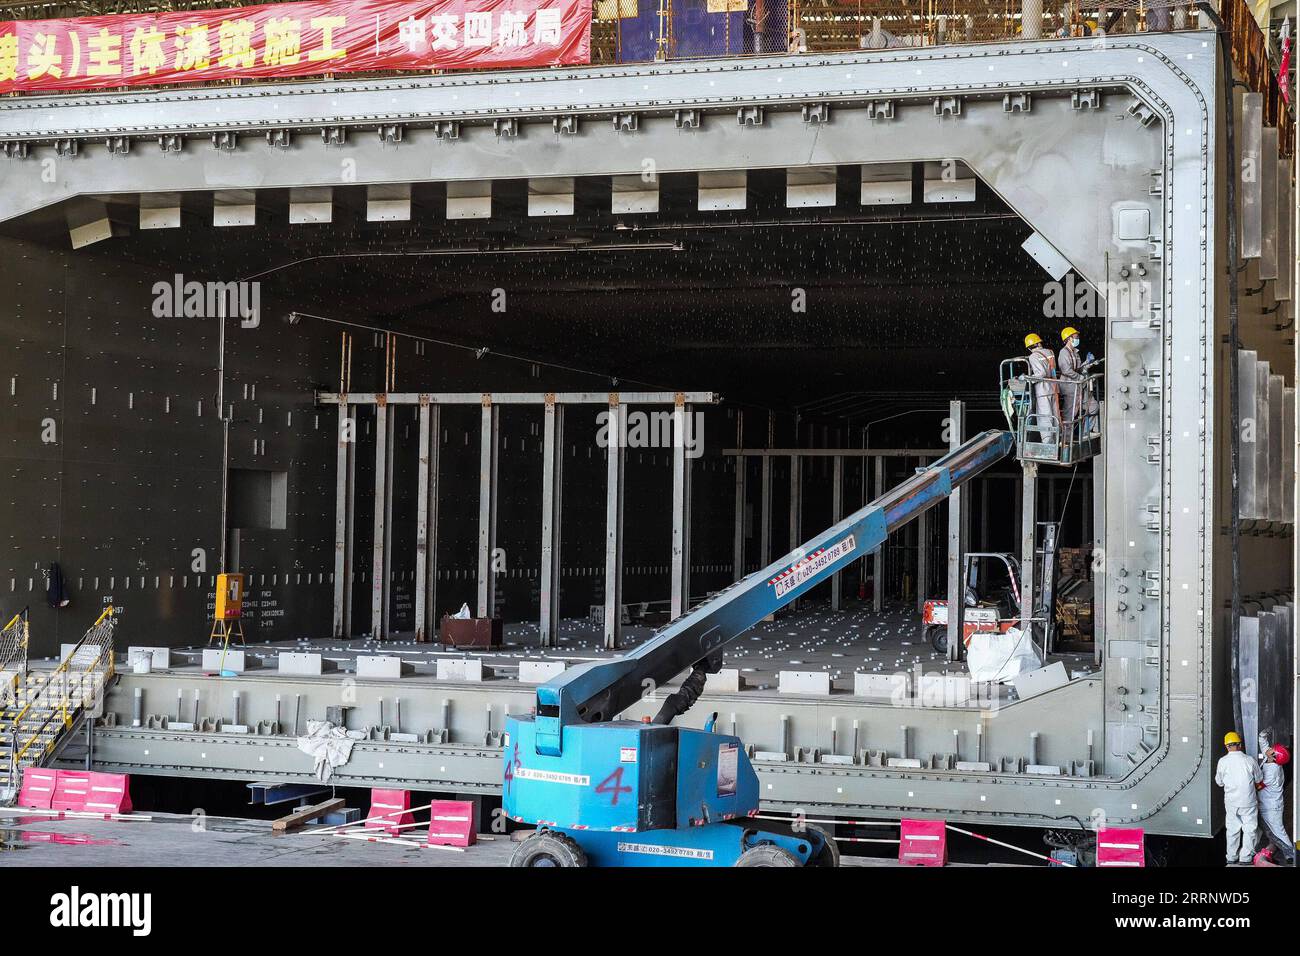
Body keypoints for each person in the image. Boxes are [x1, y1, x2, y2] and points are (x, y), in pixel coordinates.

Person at [1216, 730, 1262, 865]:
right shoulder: (1249, 760)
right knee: (1250, 829)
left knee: (1232, 829)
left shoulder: (1222, 762)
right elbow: (1259, 778)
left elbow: (1219, 782)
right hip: (1248, 801)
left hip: (1231, 803)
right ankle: (1245, 858)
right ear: (1240, 745)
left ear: (1226, 746)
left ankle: (1231, 857)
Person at [1057, 326, 1099, 439]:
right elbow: (1066, 370)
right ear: (1069, 338)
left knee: (1093, 407)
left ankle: (1086, 432)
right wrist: (1080, 377)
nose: (1077, 338)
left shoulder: (1075, 352)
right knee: (1070, 414)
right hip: (1069, 386)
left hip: (1079, 385)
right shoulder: (1063, 353)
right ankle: (1066, 439)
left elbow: (1079, 368)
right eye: (1075, 336)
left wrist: (1088, 363)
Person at [1258, 743, 1294, 864]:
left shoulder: (1272, 770)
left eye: (1272, 749)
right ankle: (1290, 854)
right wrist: (1262, 738)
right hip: (1271, 805)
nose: (1269, 749)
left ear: (1274, 756)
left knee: (1278, 832)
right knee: (1271, 830)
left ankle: (1292, 855)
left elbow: (1259, 785)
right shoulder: (1272, 762)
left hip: (1271, 807)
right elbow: (1265, 749)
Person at [1023, 333, 1059, 443]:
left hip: (1043, 390)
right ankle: (1058, 440)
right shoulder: (1050, 352)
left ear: (1029, 347)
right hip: (1054, 387)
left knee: (1045, 417)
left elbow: (1041, 373)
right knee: (1055, 415)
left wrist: (1028, 378)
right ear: (1039, 342)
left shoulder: (1033, 356)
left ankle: (1048, 443)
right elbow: (1052, 370)